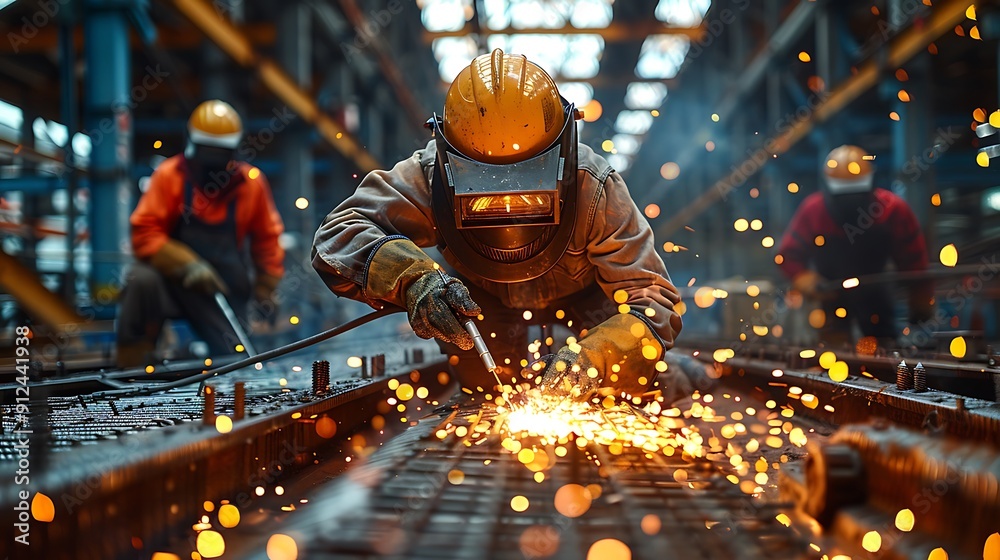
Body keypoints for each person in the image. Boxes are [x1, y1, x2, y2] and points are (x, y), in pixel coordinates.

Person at [312, 50, 685, 402]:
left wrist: (597, 360)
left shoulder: (593, 186)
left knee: (627, 385)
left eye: (528, 179)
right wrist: (412, 279)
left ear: (563, 152)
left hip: (588, 300)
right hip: (480, 303)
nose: (507, 201)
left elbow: (654, 303)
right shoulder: (431, 176)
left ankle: (687, 374)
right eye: (482, 184)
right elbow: (337, 237)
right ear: (448, 154)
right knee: (490, 393)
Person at [116, 100, 285, 367]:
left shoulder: (251, 184)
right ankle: (132, 368)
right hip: (174, 284)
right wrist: (186, 264)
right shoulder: (170, 175)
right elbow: (144, 232)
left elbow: (267, 239)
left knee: (235, 356)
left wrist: (266, 288)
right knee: (142, 280)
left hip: (224, 286)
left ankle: (235, 374)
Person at [776, 144, 933, 346]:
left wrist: (920, 300)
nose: (850, 202)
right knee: (833, 351)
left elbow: (914, 261)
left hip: (875, 290)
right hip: (830, 292)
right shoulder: (813, 211)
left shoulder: (891, 209)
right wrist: (805, 279)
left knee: (882, 345)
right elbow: (787, 256)